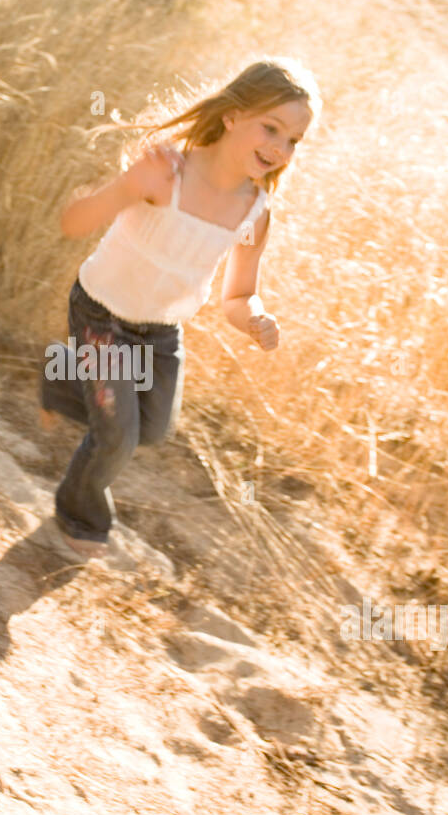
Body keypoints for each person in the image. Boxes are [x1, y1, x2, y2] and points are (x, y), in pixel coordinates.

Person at [40, 57, 320, 555]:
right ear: (232, 115)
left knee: (152, 429)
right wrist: (128, 186)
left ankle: (63, 382)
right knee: (118, 437)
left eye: (293, 141)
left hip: (161, 333)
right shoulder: (166, 172)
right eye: (271, 128)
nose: (279, 148)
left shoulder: (255, 210)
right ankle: (79, 517)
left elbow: (237, 295)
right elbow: (72, 223)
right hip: (101, 316)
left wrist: (253, 317)